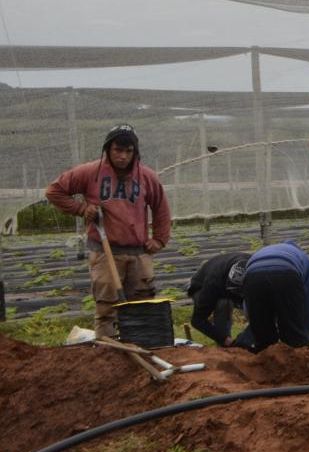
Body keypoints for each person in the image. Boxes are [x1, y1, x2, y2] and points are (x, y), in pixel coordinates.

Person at [44, 124, 171, 339]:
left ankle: (141, 347)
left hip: (139, 252)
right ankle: (108, 351)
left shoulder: (147, 176)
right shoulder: (90, 172)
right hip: (104, 251)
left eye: (128, 151)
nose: (122, 156)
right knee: (106, 309)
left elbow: (161, 208)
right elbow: (54, 191)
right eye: (117, 150)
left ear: (135, 152)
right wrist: (82, 208)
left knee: (143, 304)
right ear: (108, 150)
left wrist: (159, 239)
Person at [237, 242, 309, 351]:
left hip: (252, 277)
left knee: (264, 339)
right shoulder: (307, 260)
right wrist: (305, 335)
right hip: (286, 274)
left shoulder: (264, 252)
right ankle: (298, 356)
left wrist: (255, 320)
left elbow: (248, 302)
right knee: (294, 338)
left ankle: (266, 360)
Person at [186, 250, 251, 345]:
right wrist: (223, 339)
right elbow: (197, 321)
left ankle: (243, 342)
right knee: (224, 303)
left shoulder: (256, 269)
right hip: (200, 287)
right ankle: (226, 344)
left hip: (234, 280)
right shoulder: (213, 284)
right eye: (235, 291)